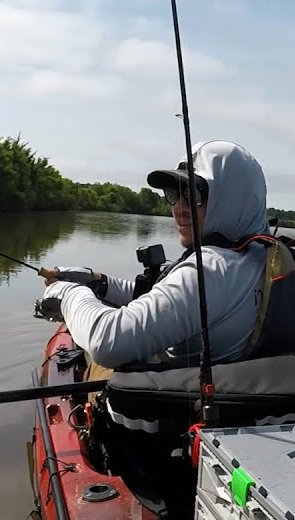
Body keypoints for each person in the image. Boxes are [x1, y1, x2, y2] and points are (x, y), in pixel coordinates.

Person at [37, 139, 277, 383]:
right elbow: (170, 302)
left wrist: (68, 294)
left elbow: (107, 342)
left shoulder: (213, 270)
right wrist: (99, 283)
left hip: (173, 401)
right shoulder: (263, 256)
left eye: (194, 195)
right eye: (174, 194)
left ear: (232, 199)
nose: (179, 208)